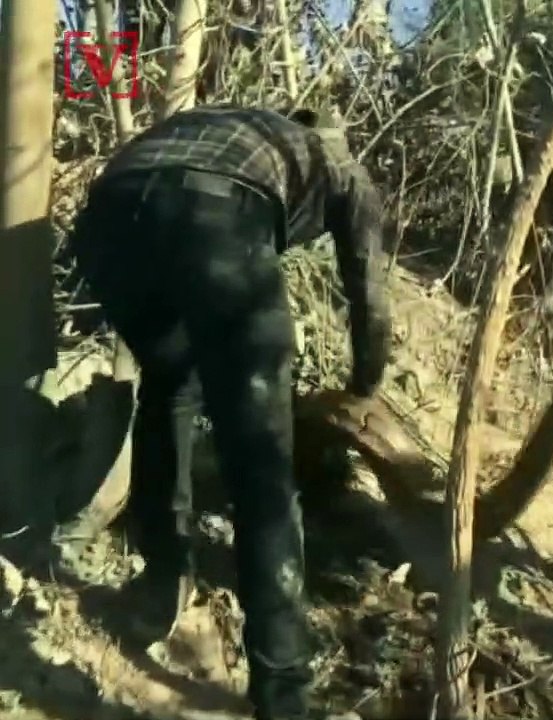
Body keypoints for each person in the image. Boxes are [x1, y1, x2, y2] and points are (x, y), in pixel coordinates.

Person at [67, 105, 392, 720]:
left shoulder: (230, 124)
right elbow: (369, 292)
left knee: (170, 386)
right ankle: (285, 693)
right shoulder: (339, 165)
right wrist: (365, 387)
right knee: (260, 463)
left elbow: (143, 174)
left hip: (112, 217)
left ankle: (159, 586)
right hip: (215, 216)